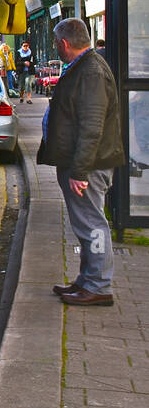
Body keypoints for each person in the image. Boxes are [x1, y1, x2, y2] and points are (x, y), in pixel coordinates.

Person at [38, 18, 125, 306]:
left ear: (64, 43)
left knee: (93, 225)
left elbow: (92, 127)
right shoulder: (85, 68)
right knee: (86, 224)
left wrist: (79, 170)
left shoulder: (90, 72)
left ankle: (99, 285)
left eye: (55, 43)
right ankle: (88, 280)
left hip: (88, 165)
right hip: (83, 163)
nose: (56, 47)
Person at [17, 39, 36, 104]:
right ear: (21, 46)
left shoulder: (32, 53)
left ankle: (29, 99)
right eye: (24, 46)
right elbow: (16, 62)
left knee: (28, 83)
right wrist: (23, 63)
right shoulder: (18, 53)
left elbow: (35, 61)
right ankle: (21, 97)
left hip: (30, 71)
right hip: (21, 71)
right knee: (21, 85)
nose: (26, 47)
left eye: (27, 46)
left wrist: (30, 63)